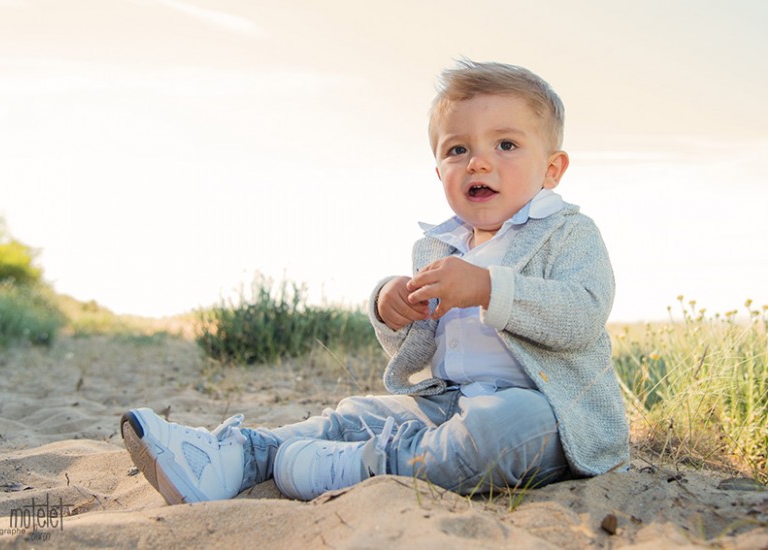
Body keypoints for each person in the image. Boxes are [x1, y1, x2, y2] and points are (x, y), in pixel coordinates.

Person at [120, 59, 630, 504]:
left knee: (501, 426)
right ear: (438, 172)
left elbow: (583, 313)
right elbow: (418, 351)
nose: (478, 160)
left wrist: (486, 289)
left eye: (506, 144)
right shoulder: (442, 246)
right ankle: (236, 457)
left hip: (550, 416)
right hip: (450, 402)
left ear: (552, 169)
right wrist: (391, 308)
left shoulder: (567, 232)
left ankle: (362, 467)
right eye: (457, 150)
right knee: (356, 411)